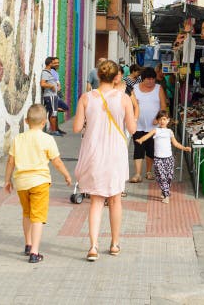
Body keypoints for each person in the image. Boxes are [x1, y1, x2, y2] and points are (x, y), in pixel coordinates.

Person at [73, 60, 136, 261]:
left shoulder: (86, 98)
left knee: (96, 200)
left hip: (93, 152)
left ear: (98, 76)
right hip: (115, 152)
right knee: (115, 199)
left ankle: (93, 246)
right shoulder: (124, 99)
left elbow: (75, 128)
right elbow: (133, 129)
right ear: (117, 77)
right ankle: (115, 243)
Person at [3, 104, 72, 263]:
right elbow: (57, 162)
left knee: (27, 213)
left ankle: (28, 244)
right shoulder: (47, 139)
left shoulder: (18, 139)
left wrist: (7, 180)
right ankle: (35, 252)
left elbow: (10, 161)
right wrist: (67, 175)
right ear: (44, 122)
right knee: (38, 217)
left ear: (26, 121)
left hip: (21, 183)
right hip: (40, 182)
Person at [134, 112, 191, 204]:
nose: (162, 121)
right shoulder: (155, 130)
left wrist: (185, 148)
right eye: (160, 119)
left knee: (169, 177)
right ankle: (166, 195)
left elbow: (175, 143)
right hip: (158, 159)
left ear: (168, 120)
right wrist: (140, 140)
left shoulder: (170, 132)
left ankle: (164, 191)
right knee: (161, 177)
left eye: (164, 119)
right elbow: (147, 136)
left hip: (169, 158)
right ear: (157, 121)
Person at [130, 68, 168, 183]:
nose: (151, 82)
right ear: (143, 79)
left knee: (151, 149)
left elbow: (163, 106)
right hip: (138, 125)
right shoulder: (135, 89)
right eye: (148, 79)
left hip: (153, 127)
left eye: (153, 79)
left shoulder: (158, 88)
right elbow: (129, 105)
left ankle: (148, 171)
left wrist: (158, 119)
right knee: (138, 149)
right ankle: (137, 174)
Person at [41, 57, 66, 136]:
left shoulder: (50, 72)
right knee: (53, 114)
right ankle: (53, 131)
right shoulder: (45, 72)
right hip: (50, 96)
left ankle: (55, 130)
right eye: (53, 62)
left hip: (53, 96)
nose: (55, 64)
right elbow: (42, 83)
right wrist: (51, 86)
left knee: (53, 113)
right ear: (50, 63)